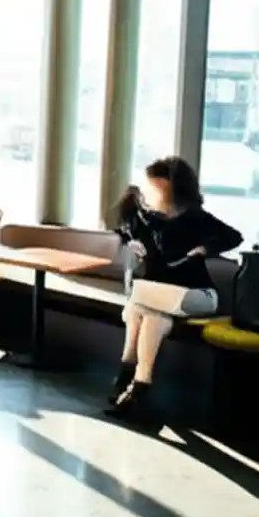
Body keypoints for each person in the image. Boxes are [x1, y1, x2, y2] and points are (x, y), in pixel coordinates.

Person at [106, 156, 242, 419]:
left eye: (158, 186)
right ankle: (140, 385)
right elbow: (122, 230)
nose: (152, 192)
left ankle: (125, 374)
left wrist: (205, 249)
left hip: (198, 296)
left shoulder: (196, 218)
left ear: (173, 186)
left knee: (139, 305)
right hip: (161, 299)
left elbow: (234, 236)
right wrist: (131, 244)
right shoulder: (149, 220)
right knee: (152, 315)